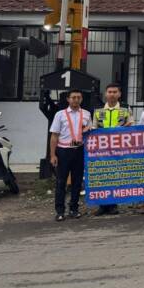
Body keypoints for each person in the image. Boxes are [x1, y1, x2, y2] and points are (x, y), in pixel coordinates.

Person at [92, 83, 134, 216]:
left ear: (119, 94)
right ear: (106, 94)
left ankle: (113, 205)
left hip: (119, 149)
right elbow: (93, 128)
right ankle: (102, 205)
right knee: (102, 176)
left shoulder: (126, 108)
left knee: (115, 176)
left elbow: (132, 126)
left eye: (115, 92)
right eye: (110, 91)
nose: (112, 94)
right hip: (102, 149)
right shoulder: (98, 110)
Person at [49, 89, 91, 222]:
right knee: (61, 182)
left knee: (77, 181)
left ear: (82, 99)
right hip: (63, 150)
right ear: (68, 99)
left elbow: (89, 131)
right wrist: (52, 155)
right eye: (73, 97)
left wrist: (86, 129)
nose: (76, 100)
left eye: (78, 97)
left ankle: (74, 209)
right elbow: (54, 135)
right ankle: (60, 211)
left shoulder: (86, 114)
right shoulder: (60, 114)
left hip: (79, 150)